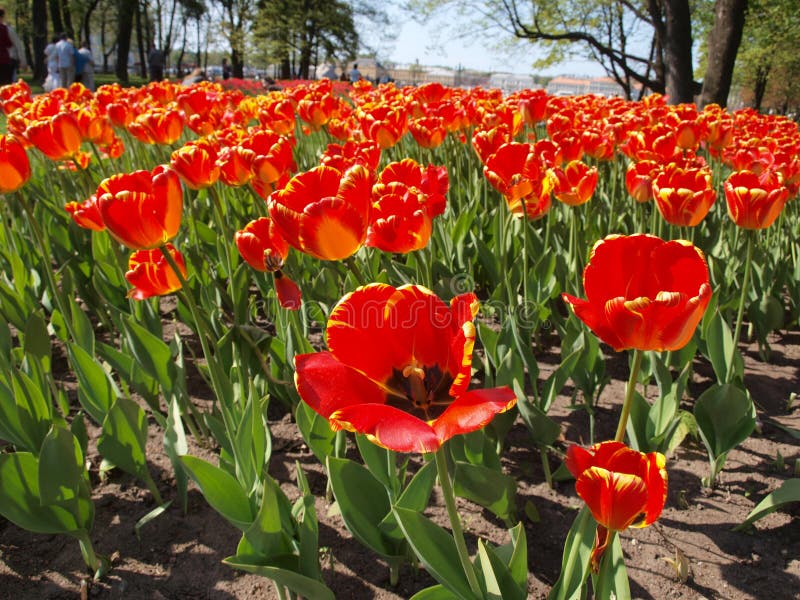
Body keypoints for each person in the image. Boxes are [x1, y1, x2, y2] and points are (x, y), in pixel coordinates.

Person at [0, 7, 25, 85]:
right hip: (5, 61)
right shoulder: (7, 29)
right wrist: (23, 61)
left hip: (5, 62)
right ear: (2, 16)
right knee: (5, 87)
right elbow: (19, 46)